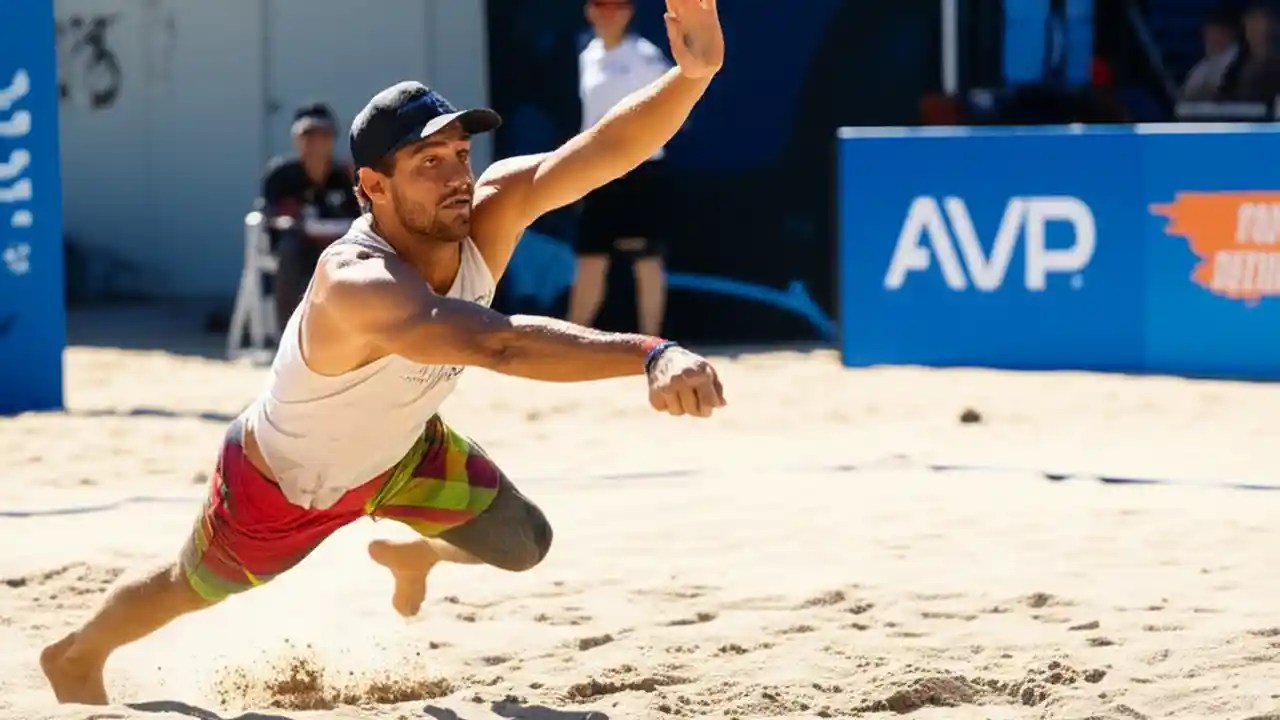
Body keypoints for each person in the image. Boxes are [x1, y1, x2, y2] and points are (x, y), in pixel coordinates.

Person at [40, 0, 725, 705]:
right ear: (372, 186)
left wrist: (692, 76)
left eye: (460, 155)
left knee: (525, 541)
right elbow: (501, 346)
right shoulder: (356, 281)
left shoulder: (484, 211)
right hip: (281, 484)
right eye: (429, 162)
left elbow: (604, 150)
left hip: (401, 453)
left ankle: (414, 553)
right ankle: (76, 655)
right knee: (187, 586)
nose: (457, 176)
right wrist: (652, 353)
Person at [569, 0, 674, 337]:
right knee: (590, 259)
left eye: (616, 5)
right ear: (589, 11)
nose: (607, 13)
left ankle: (653, 344)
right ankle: (572, 342)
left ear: (629, 12)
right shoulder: (587, 55)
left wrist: (637, 147)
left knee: (646, 260)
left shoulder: (645, 57)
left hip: (640, 170)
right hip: (597, 171)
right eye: (600, 5)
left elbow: (670, 108)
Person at [261, 103, 361, 331]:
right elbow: (269, 214)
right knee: (289, 250)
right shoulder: (280, 174)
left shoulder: (344, 176)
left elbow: (360, 216)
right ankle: (289, 333)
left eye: (323, 136)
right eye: (308, 136)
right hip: (298, 247)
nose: (316, 144)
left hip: (337, 246)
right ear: (297, 140)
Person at [1181, 8, 1241, 101]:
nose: (1209, 38)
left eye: (1215, 32)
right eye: (1208, 32)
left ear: (1229, 33)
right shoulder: (1203, 65)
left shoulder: (1239, 61)